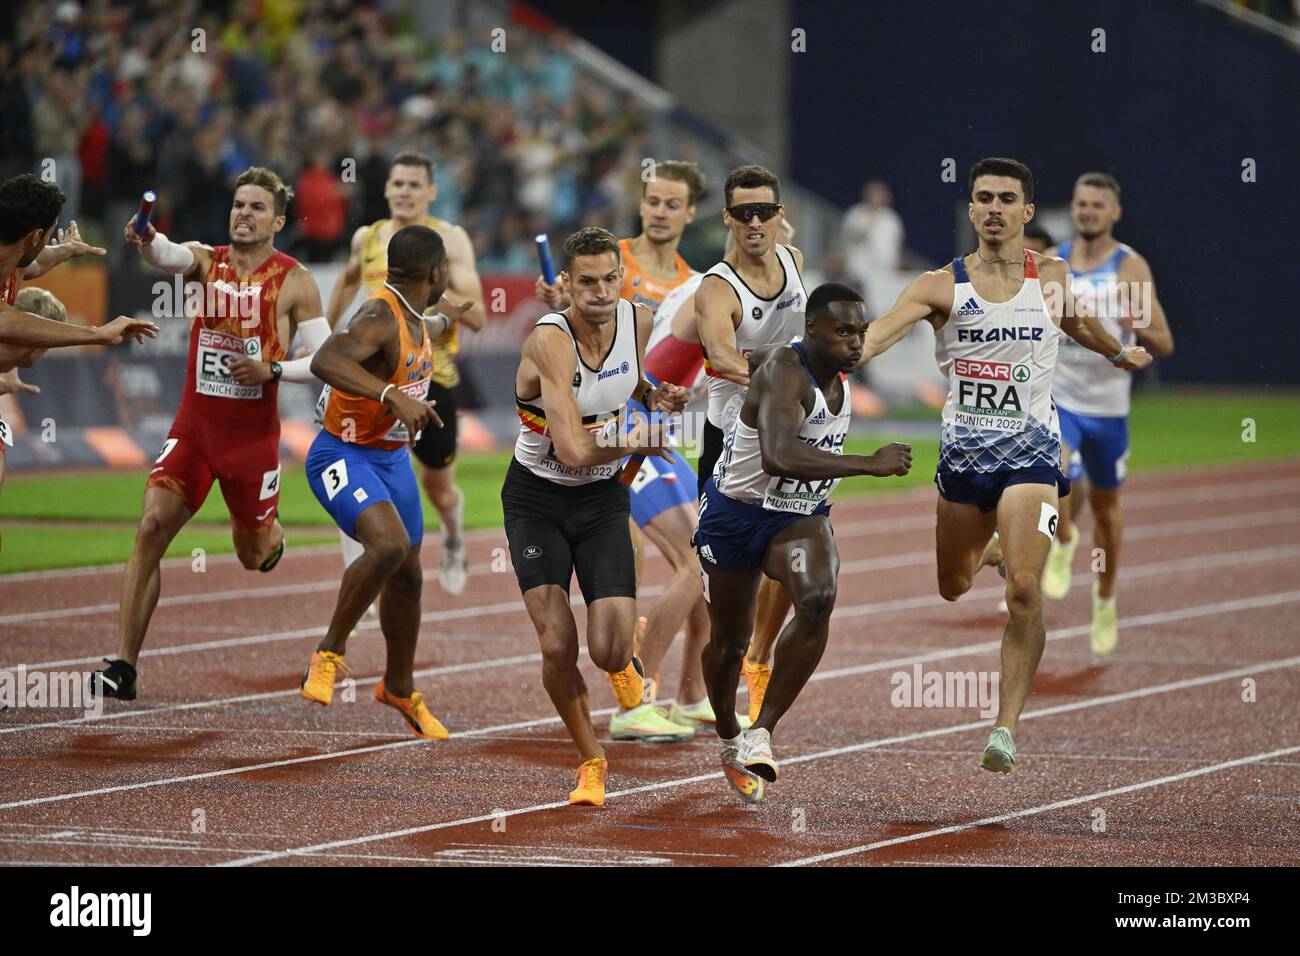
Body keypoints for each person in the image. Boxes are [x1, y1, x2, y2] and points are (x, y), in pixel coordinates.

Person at [859, 157, 1151, 773]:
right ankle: (991, 547)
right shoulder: (940, 285)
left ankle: (1005, 728)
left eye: (1006, 198)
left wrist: (1119, 351)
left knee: (1025, 591)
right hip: (964, 460)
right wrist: (815, 358)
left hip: (1033, 455)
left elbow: (1077, 320)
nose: (994, 208)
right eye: (984, 198)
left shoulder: (1051, 276)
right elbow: (877, 336)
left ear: (1025, 212)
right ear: (971, 210)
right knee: (952, 586)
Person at [94, 167, 331, 700]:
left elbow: (326, 359)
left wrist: (273, 370)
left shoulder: (295, 280)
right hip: (195, 428)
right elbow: (168, 254)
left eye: (256, 207)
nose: (244, 213)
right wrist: (147, 235)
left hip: (251, 442)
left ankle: (267, 534)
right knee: (152, 525)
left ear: (279, 220)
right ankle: (123, 666)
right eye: (239, 205)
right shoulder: (209, 260)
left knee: (252, 555)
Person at [697, 283, 912, 802]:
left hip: (796, 516)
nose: (856, 344)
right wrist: (868, 463)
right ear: (811, 329)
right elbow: (778, 456)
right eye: (843, 333)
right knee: (728, 643)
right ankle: (728, 734)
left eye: (860, 333)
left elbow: (902, 317)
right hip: (735, 513)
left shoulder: (841, 370)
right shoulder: (780, 370)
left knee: (817, 598)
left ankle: (761, 731)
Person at [503, 227, 685, 806]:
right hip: (537, 499)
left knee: (607, 650)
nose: (601, 291)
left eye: (611, 279)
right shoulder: (549, 340)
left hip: (603, 500)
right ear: (566, 283)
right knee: (557, 644)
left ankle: (622, 665)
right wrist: (641, 441)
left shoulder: (641, 322)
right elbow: (575, 450)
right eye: (587, 281)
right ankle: (591, 759)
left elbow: (631, 388)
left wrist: (657, 402)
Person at [535, 161, 712, 743]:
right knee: (695, 557)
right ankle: (638, 692)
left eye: (671, 203)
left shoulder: (692, 282)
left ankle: (691, 695)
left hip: (661, 432)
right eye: (652, 201)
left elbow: (692, 367)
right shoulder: (611, 265)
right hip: (609, 435)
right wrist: (558, 302)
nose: (659, 211)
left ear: (690, 213)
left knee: (711, 557)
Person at [299, 224, 452, 738]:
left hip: (391, 461)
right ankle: (329, 652)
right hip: (342, 454)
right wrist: (393, 397)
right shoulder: (379, 314)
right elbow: (326, 359)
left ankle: (400, 688)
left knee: (408, 576)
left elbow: (425, 321)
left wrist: (451, 318)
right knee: (386, 547)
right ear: (435, 274)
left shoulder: (411, 315)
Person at [327, 152, 486, 596]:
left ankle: (453, 536)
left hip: (430, 373)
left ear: (431, 193)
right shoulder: (369, 236)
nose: (404, 192)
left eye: (414, 185)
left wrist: (431, 286)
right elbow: (345, 281)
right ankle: (361, 578)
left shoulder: (450, 241)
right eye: (397, 183)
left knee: (438, 488)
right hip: (375, 373)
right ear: (385, 188)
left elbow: (477, 316)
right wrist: (319, 330)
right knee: (357, 469)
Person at [695, 165, 809, 722]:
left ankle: (762, 659)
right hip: (730, 446)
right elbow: (718, 355)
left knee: (802, 571)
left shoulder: (794, 261)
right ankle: (724, 711)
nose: (755, 221)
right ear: (728, 218)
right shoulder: (717, 288)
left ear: (780, 214)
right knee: (726, 615)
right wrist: (783, 380)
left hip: (788, 437)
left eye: (765, 211)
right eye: (743, 213)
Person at [1041, 172, 1173, 654]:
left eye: (1098, 205)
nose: (1089, 212)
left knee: (1107, 510)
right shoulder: (1053, 262)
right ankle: (1063, 539)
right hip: (1061, 397)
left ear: (1114, 212)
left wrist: (1137, 323)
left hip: (1109, 409)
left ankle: (1105, 596)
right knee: (1058, 471)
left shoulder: (1129, 267)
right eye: (1082, 204)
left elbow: (1163, 341)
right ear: (1072, 208)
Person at [0, 174, 156, 531]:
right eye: (50, 233)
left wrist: (67, 250)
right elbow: (6, 324)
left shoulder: (16, 260)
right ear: (34, 236)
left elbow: (36, 263)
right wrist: (96, 334)